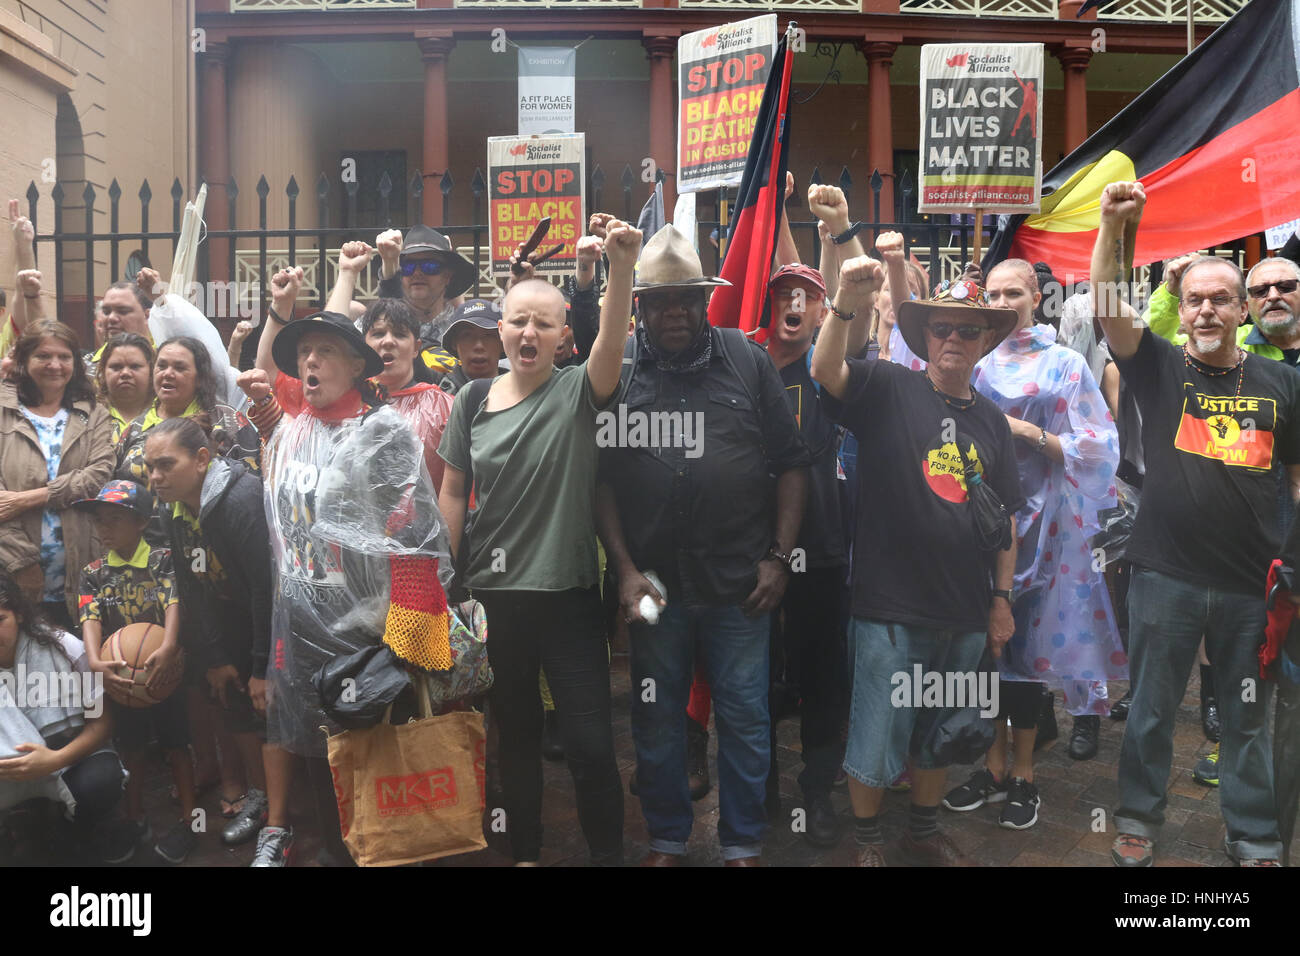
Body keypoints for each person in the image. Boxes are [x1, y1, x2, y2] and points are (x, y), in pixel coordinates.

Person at [1092, 180, 1298, 867]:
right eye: (1194, 299)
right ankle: (1137, 820)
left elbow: (1295, 478)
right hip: (1165, 578)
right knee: (1150, 711)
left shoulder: (1282, 385)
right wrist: (1114, 228)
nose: (1206, 308)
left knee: (1245, 717)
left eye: (1220, 298)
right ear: (1180, 313)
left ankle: (1255, 836)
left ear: (1243, 310)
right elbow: (1109, 308)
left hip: (1250, 587)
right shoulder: (1156, 365)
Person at [595, 224, 810, 867]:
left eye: (685, 299)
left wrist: (778, 557)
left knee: (744, 717)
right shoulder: (621, 369)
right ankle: (667, 838)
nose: (672, 312)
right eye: (658, 301)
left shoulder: (746, 360)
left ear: (704, 300)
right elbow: (600, 478)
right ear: (638, 307)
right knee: (657, 719)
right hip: (656, 587)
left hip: (740, 583)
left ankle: (742, 842)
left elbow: (793, 462)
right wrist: (626, 571)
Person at [437, 219, 641, 867]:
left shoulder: (581, 390)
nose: (528, 332)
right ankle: (525, 852)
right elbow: (451, 492)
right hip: (495, 602)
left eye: (543, 324)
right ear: (501, 328)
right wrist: (448, 575)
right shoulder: (470, 402)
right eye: (517, 321)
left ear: (562, 337)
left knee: (588, 744)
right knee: (515, 739)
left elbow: (612, 337)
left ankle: (607, 855)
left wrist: (621, 264)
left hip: (572, 599)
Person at [812, 256, 1024, 867]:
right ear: (924, 336)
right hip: (890, 608)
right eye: (941, 328)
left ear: (985, 342)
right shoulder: (889, 387)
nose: (953, 338)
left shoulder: (991, 422)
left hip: (964, 610)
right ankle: (870, 840)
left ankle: (924, 829)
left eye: (967, 330)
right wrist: (847, 300)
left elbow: (1006, 518)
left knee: (944, 730)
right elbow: (825, 369)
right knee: (879, 732)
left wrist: (1001, 600)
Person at [244, 299, 450, 868]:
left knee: (372, 757)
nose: (310, 362)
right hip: (301, 630)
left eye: (325, 351)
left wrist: (410, 635)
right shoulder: (291, 433)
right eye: (304, 352)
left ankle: (378, 856)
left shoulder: (382, 434)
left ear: (357, 366)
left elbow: (414, 535)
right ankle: (338, 853)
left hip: (365, 632)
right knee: (316, 752)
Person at [940, 258, 1122, 830]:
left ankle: (1024, 773)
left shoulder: (1064, 363)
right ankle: (991, 767)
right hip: (976, 530)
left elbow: (1098, 446)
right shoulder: (971, 359)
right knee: (983, 654)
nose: (1001, 303)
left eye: (1013, 292)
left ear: (1037, 297)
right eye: (991, 293)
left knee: (1024, 657)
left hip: (1046, 534)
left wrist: (1030, 434)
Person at [147, 416, 274, 850]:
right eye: (150, 467)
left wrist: (263, 666)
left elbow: (266, 588)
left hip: (270, 619)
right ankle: (262, 799)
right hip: (226, 619)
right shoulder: (173, 508)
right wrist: (216, 657)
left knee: (272, 713)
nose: (155, 477)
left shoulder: (241, 499)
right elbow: (191, 586)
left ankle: (285, 816)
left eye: (165, 465)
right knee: (233, 702)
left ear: (202, 459)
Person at [762, 261, 851, 847]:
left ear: (822, 311)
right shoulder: (744, 369)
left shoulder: (832, 374)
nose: (794, 304)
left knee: (824, 677)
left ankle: (819, 788)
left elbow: (857, 317)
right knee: (756, 678)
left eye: (808, 296)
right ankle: (758, 784)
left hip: (821, 551)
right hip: (752, 552)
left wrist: (834, 231)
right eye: (783, 295)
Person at [72, 479, 193, 863]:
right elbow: (88, 615)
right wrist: (94, 660)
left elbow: (174, 600)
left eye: (114, 519)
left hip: (164, 674)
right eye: (99, 521)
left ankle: (191, 821)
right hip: (123, 677)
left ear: (141, 521)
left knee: (178, 746)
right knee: (133, 749)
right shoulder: (93, 572)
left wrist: (171, 645)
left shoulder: (162, 559)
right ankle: (134, 816)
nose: (104, 529)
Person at [0, 570, 124, 864]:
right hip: (9, 770)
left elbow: (102, 722)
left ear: (17, 614)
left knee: (100, 781)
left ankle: (76, 829)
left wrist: (55, 760)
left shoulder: (65, 648)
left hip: (72, 756)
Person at [0, 321, 114, 632]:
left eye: (64, 357)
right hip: (12, 572)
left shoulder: (93, 413)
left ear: (75, 363)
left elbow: (99, 475)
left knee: (80, 670)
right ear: (24, 361)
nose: (55, 365)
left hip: (82, 567)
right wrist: (22, 562)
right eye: (43, 356)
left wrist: (29, 499)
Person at [323, 243, 454, 490]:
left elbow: (456, 488)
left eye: (400, 335)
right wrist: (347, 273)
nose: (388, 341)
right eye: (379, 333)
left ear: (416, 348)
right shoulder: (344, 401)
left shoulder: (444, 408)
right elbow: (326, 341)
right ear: (364, 345)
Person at [373, 224, 476, 349]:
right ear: (400, 275)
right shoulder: (374, 327)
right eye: (407, 266)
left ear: (447, 276)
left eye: (430, 266)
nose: (417, 273)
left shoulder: (464, 329)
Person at [438, 299, 505, 395]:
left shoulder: (522, 392)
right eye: (468, 336)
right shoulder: (439, 397)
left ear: (502, 343)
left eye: (488, 336)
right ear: (454, 343)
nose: (479, 346)